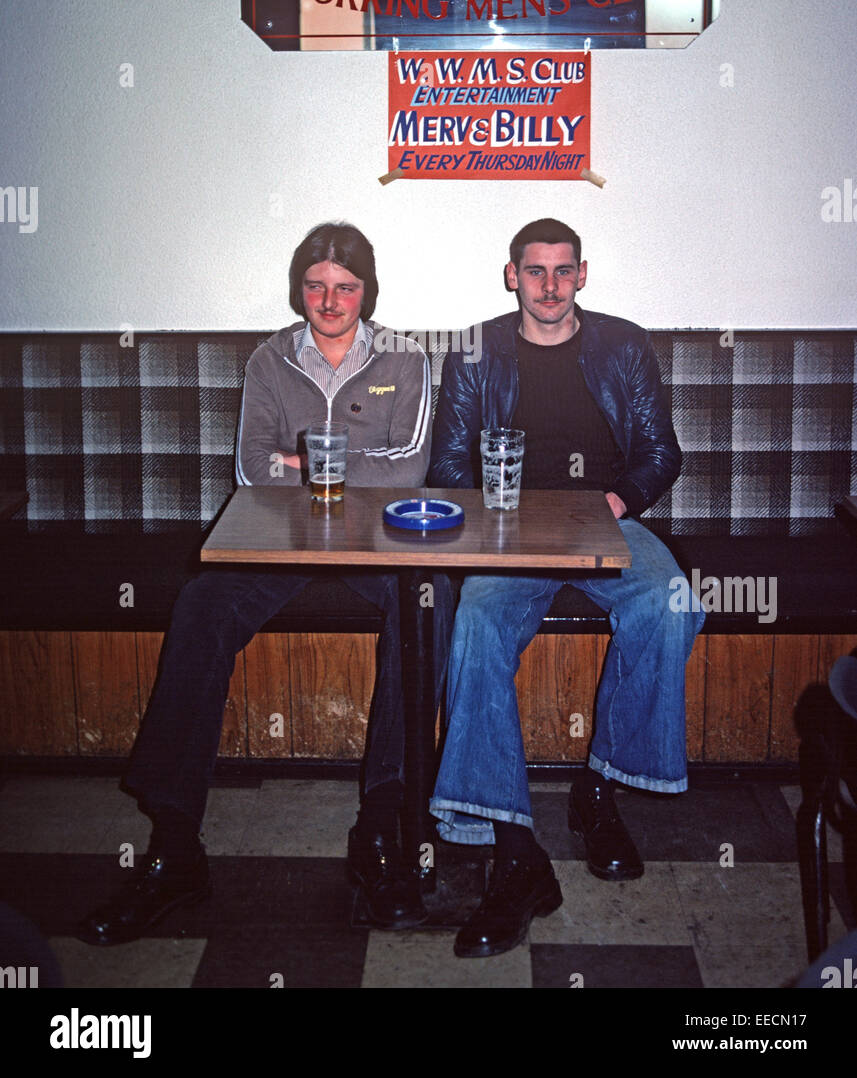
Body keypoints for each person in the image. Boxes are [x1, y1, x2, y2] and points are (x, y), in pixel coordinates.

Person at [76, 222, 451, 944]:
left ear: (367, 290)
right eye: (315, 285)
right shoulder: (270, 360)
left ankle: (382, 830)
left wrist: (298, 460)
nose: (329, 299)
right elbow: (250, 469)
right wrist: (327, 465)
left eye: (345, 286)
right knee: (201, 602)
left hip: (377, 545)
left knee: (430, 601)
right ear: (298, 288)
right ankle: (174, 848)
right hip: (282, 540)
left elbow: (406, 471)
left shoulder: (404, 359)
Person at [427, 218, 704, 958]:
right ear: (510, 275)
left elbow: (658, 451)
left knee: (672, 603)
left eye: (561, 271)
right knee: (475, 626)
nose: (548, 285)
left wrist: (611, 504)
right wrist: (498, 513)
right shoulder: (476, 350)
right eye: (533, 270)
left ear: (581, 275)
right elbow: (449, 465)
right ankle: (513, 850)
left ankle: (599, 790)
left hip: (603, 521)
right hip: (508, 529)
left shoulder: (623, 343)